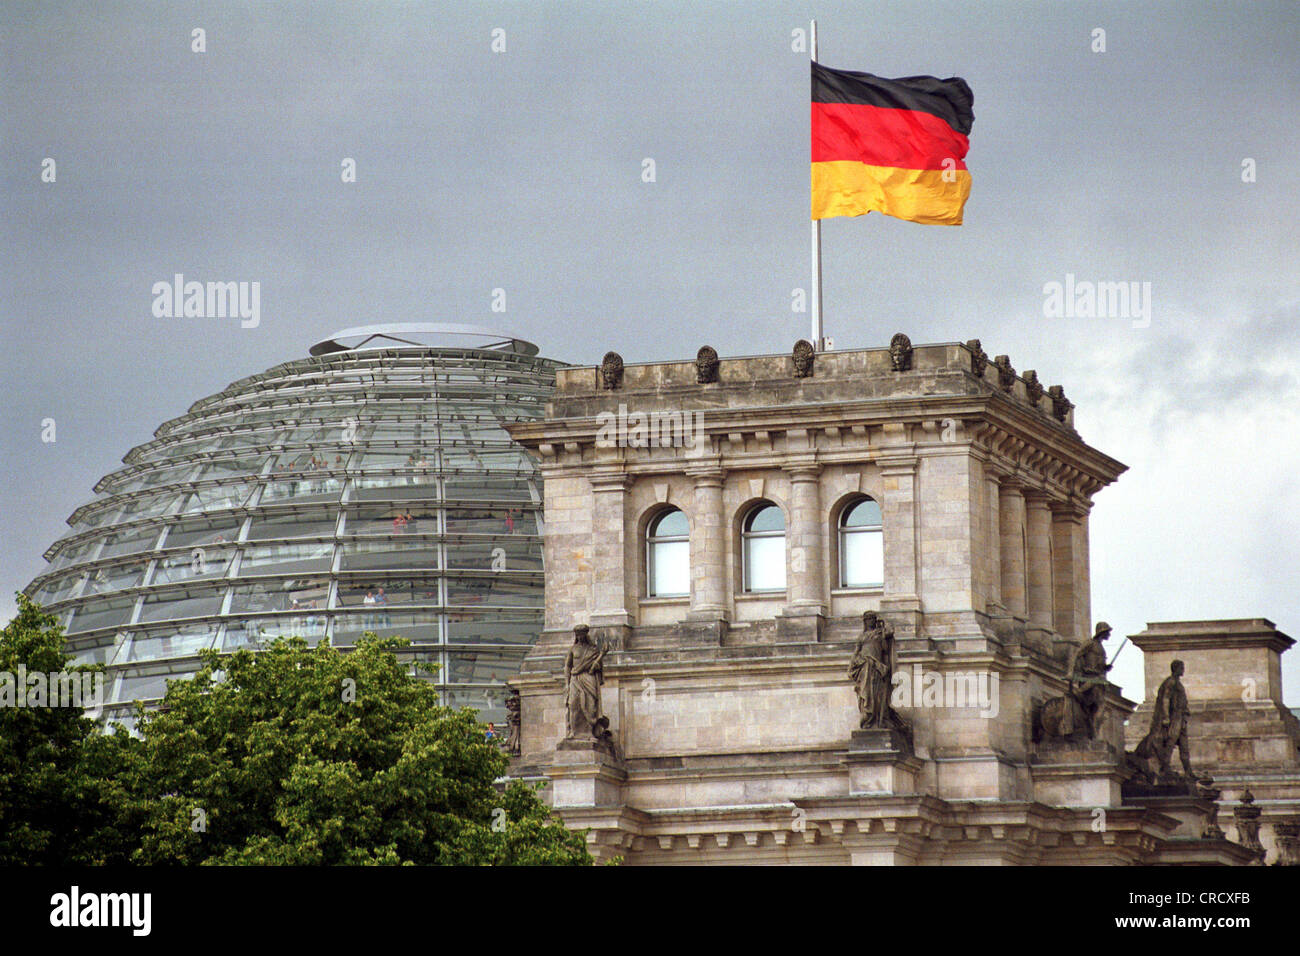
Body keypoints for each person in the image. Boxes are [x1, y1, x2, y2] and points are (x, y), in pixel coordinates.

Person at [1150, 659, 1195, 778]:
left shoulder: (1177, 682)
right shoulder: (1171, 682)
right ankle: (1165, 767)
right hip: (1175, 717)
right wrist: (1166, 717)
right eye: (1182, 667)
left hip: (1181, 716)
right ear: (1176, 668)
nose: (1183, 670)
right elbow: (1165, 699)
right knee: (1171, 742)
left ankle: (1188, 771)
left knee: (1184, 745)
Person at [1066, 621, 1113, 737]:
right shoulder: (1090, 643)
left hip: (1098, 679)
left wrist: (1105, 667)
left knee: (1096, 708)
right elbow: (1076, 654)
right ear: (1102, 632)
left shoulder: (1100, 647)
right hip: (1090, 678)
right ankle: (1094, 733)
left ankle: (1093, 733)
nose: (1109, 635)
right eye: (1108, 632)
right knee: (1099, 705)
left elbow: (1098, 664)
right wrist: (1070, 672)